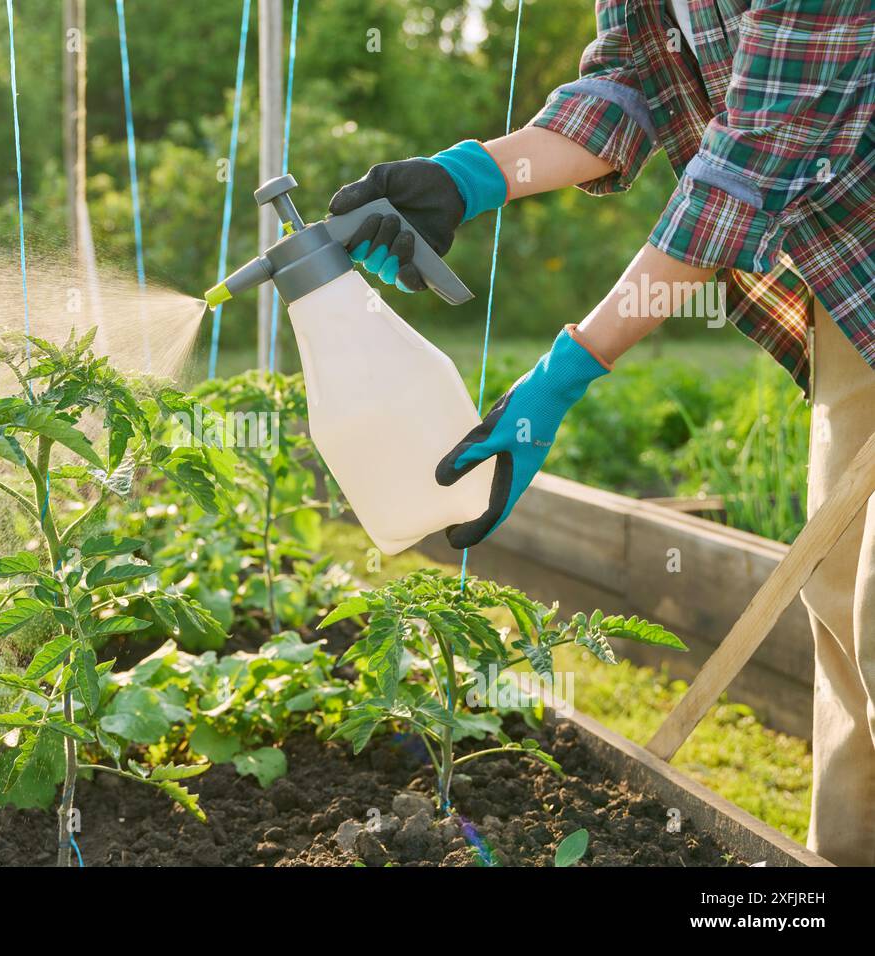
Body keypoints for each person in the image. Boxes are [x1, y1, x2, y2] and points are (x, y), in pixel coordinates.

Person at [330, 0, 875, 865]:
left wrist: (563, 373)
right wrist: (469, 175)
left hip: (844, 225)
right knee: (839, 588)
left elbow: (748, 167)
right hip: (853, 281)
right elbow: (634, 77)